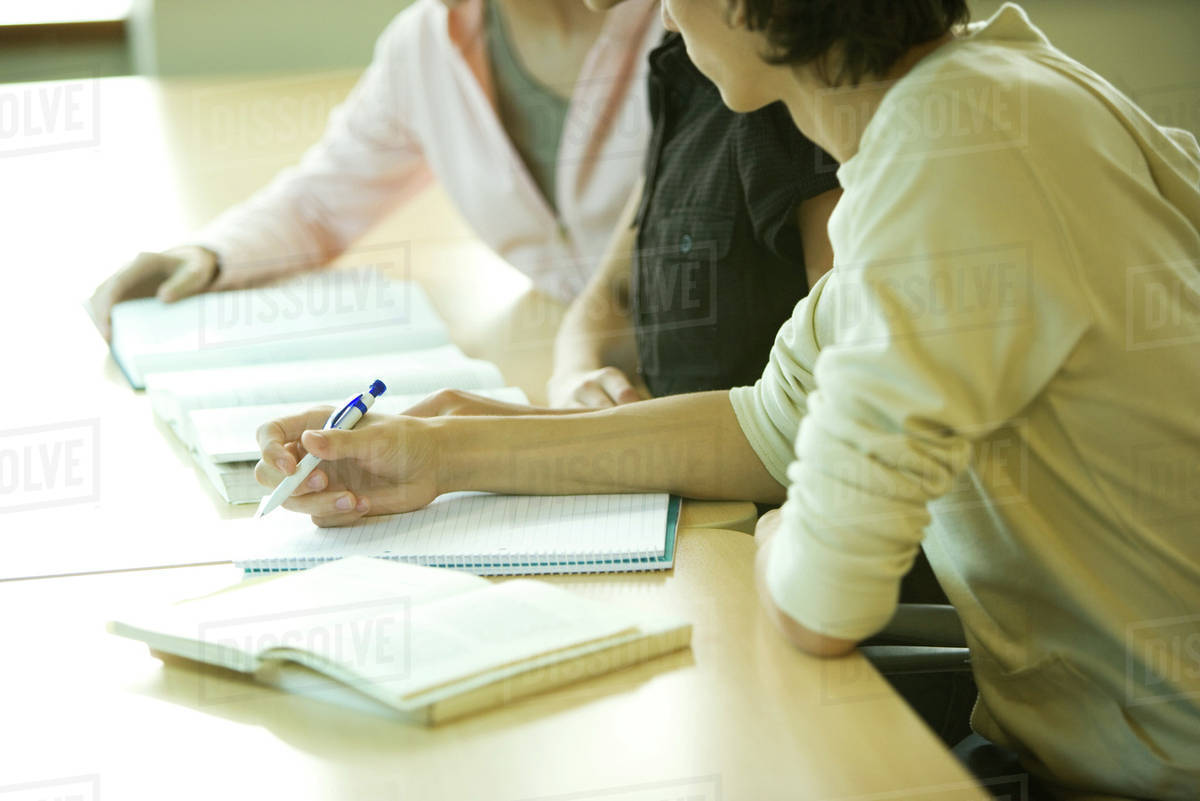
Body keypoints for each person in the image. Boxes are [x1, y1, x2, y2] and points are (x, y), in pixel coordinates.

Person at [255, 1, 1200, 797]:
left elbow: (823, 601)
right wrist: (445, 452)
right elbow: (767, 423)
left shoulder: (951, 160)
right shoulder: (972, 103)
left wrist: (783, 530)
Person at [86, 0, 661, 339]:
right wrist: (206, 256)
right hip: (572, 367)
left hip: (711, 371)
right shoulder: (428, 43)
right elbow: (320, 202)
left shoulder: (686, 22)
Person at [547, 25, 841, 407]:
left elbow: (836, 388)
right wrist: (574, 377)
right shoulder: (678, 62)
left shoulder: (796, 90)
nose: (666, 17)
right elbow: (614, 292)